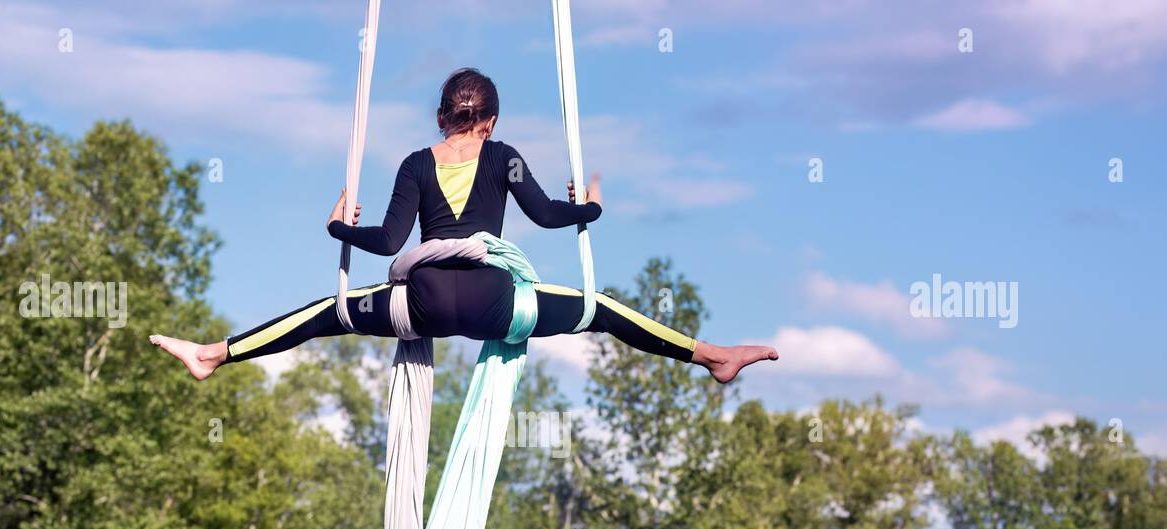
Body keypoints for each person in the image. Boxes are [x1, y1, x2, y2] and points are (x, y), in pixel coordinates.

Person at [151, 68, 778, 383]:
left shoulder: (415, 163)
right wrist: (592, 208)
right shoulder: (503, 158)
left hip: (417, 307)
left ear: (441, 117)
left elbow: (388, 243)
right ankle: (713, 356)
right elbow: (549, 216)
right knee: (600, 309)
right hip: (494, 306)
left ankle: (212, 355)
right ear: (492, 120)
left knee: (324, 313)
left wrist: (338, 228)